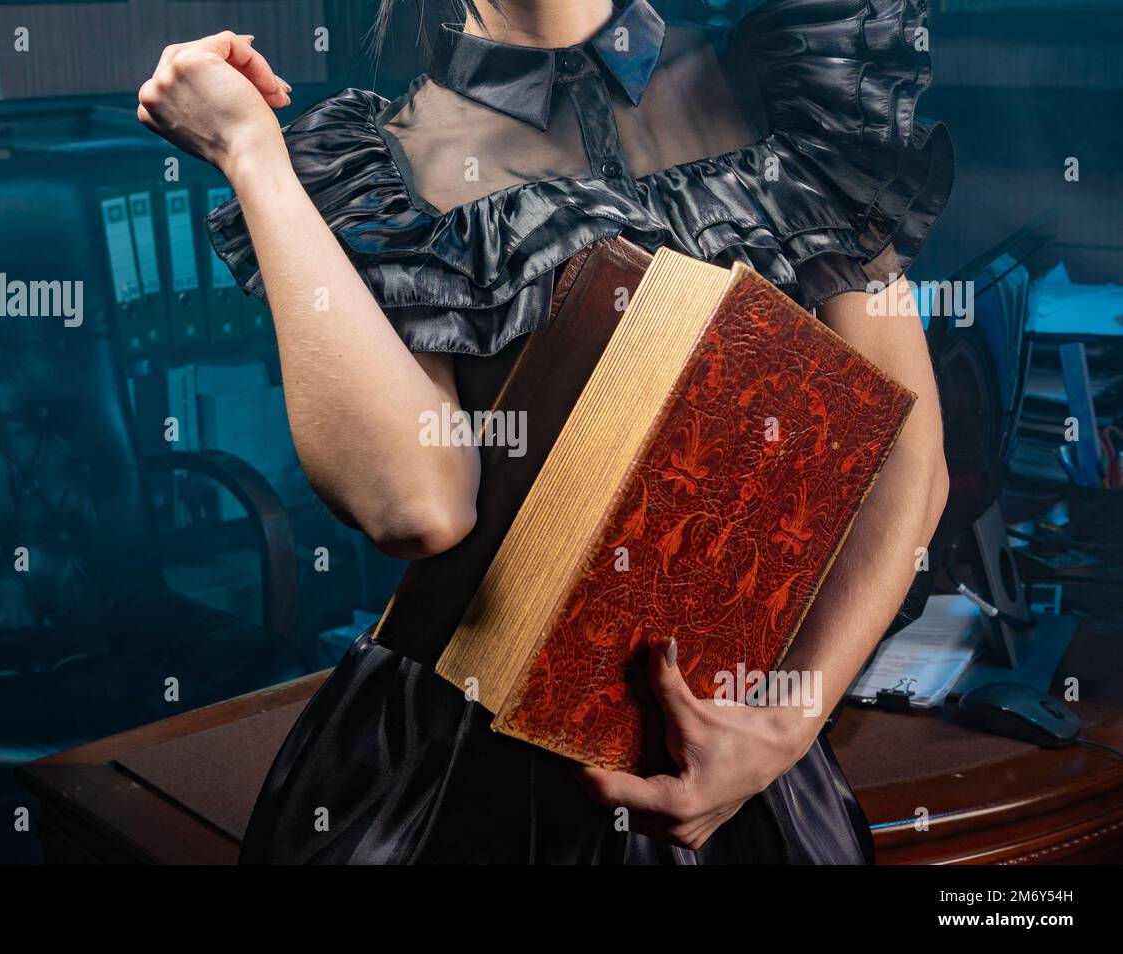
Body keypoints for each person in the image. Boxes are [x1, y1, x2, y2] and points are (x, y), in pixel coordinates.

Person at [136, 0, 952, 863]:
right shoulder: (374, 169)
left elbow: (906, 454)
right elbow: (415, 506)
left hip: (741, 742)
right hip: (462, 773)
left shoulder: (789, 84)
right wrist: (254, 159)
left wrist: (787, 719)